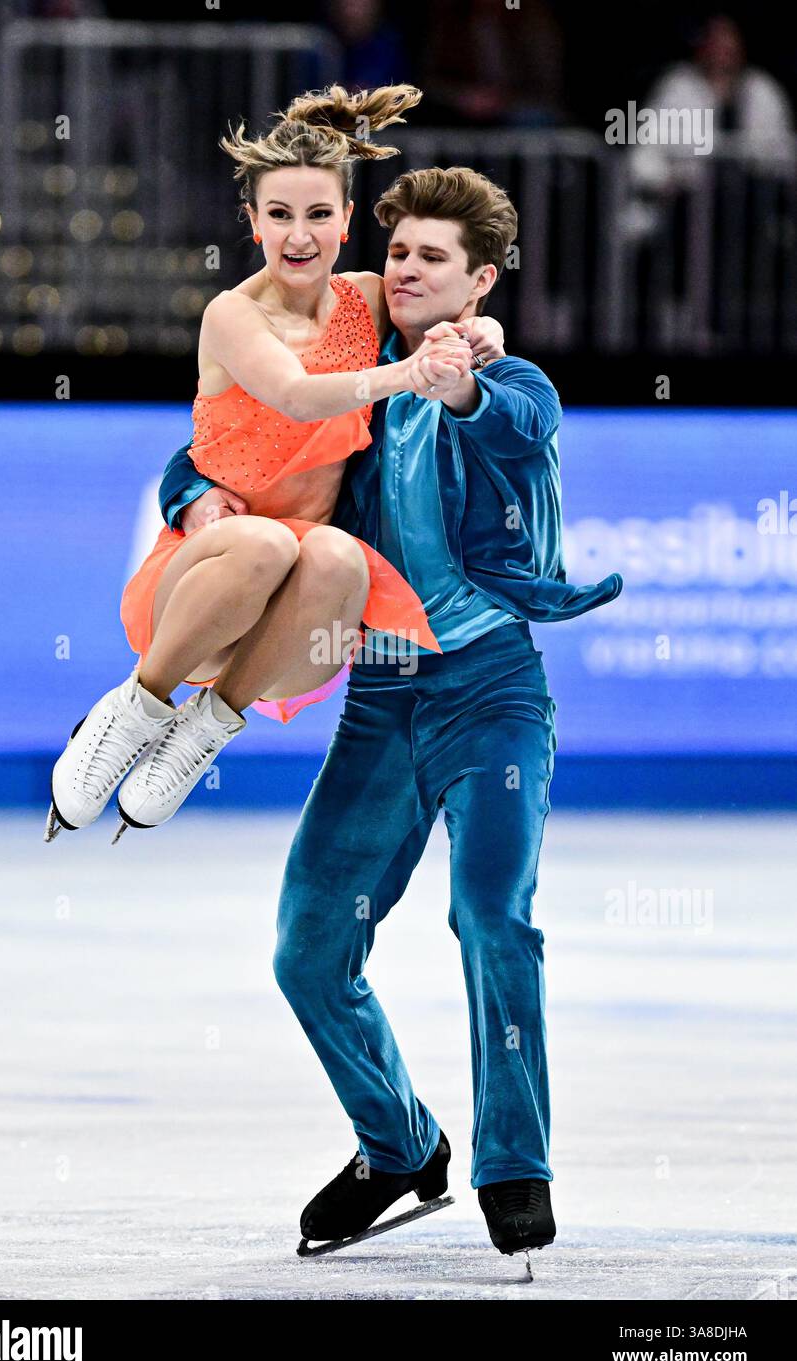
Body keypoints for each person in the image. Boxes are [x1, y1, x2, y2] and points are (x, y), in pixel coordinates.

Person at [161, 165, 623, 1257]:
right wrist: (197, 493)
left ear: (480, 281)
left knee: (490, 918)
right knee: (308, 950)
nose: (405, 271)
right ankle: (398, 1143)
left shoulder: (515, 383)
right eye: (398, 253)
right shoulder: (351, 373)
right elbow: (223, 440)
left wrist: (455, 372)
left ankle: (514, 1161)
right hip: (378, 700)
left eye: (431, 260)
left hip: (490, 696)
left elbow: (495, 419)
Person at [43, 83, 477, 845]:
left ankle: (205, 730)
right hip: (201, 593)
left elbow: (451, 310)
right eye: (278, 215)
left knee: (338, 553)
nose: (299, 235)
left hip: (297, 634)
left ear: (347, 219)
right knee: (266, 541)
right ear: (251, 222)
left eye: (317, 214)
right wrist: (400, 376)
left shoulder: (370, 298)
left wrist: (488, 329)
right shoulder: (232, 315)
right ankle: (134, 709)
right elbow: (295, 395)